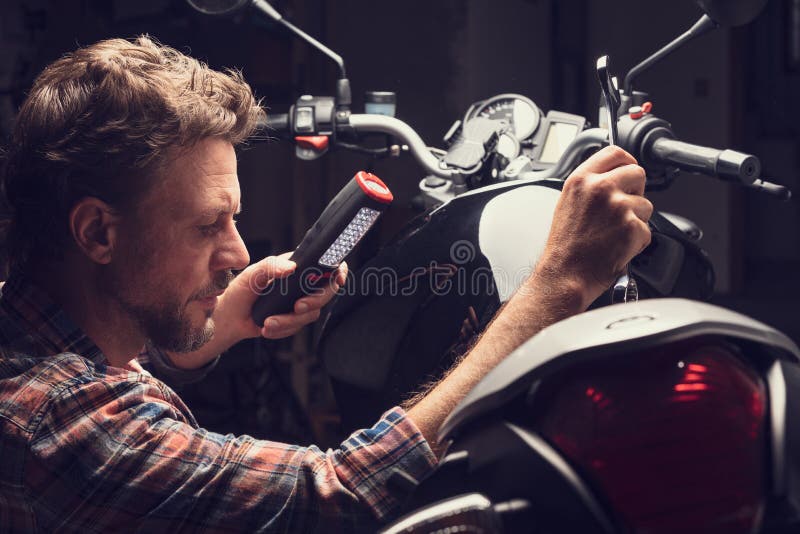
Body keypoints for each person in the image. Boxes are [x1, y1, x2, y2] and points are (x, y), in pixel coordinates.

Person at [0, 36, 652, 532]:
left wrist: (219, 321)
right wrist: (557, 289)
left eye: (234, 219)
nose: (236, 252)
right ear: (97, 235)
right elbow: (333, 497)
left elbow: (111, 369)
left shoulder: (34, 325)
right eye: (207, 227)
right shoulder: (58, 423)